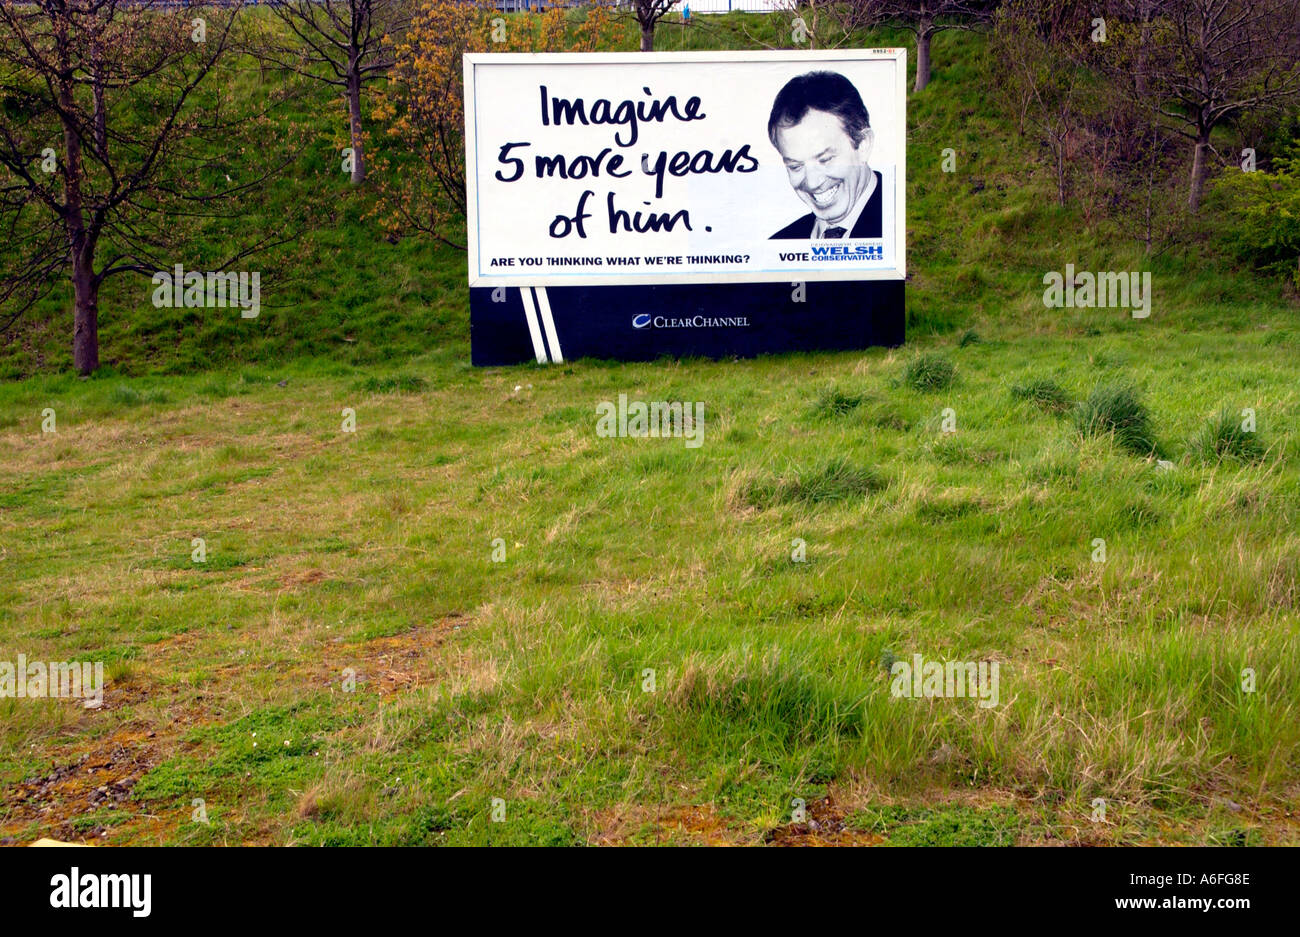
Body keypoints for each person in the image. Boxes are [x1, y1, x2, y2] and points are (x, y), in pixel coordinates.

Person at [768, 71, 883, 240]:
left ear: (863, 144)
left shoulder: (902, 221)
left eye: (825, 160)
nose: (813, 183)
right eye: (795, 166)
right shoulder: (781, 242)